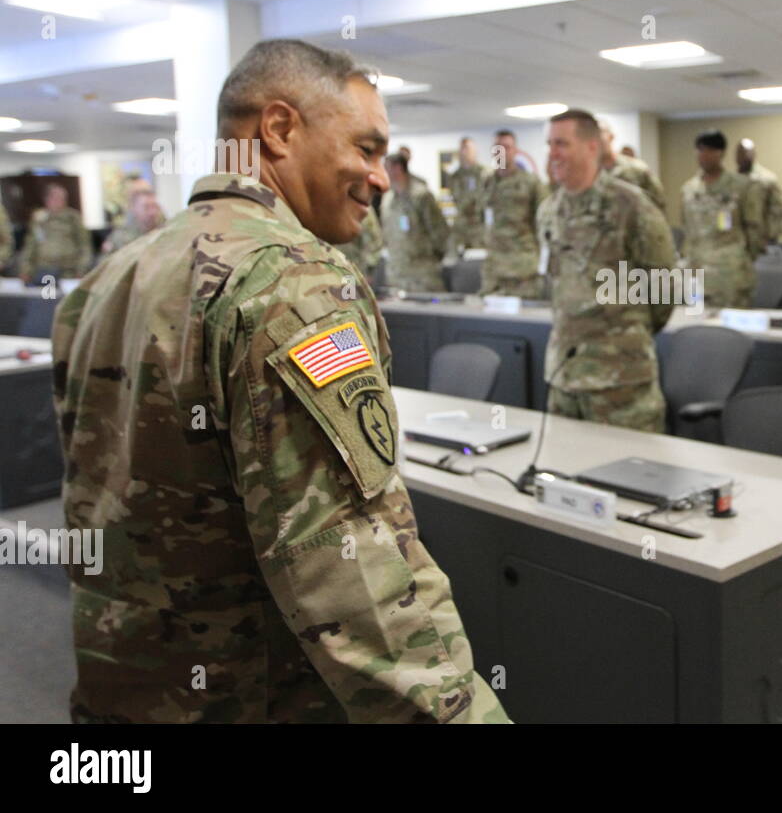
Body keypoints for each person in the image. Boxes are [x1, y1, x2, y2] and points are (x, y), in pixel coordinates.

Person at [52, 38, 507, 724]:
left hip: (125, 697)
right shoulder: (293, 282)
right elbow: (352, 575)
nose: (380, 177)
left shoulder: (108, 279)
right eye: (366, 147)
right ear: (280, 130)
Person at [537, 110, 677, 432]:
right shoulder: (548, 211)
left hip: (620, 381)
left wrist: (623, 337)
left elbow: (665, 289)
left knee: (629, 475)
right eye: (549, 144)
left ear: (591, 147)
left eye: (562, 144)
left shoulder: (631, 206)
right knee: (564, 473)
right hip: (563, 376)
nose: (552, 154)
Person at [679, 130, 765, 308]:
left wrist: (743, 260)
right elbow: (687, 229)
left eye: (710, 150)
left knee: (730, 328)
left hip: (729, 274)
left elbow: (754, 229)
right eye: (700, 150)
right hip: (696, 272)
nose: (704, 155)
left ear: (721, 153)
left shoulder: (742, 186)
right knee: (696, 326)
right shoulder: (689, 189)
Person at [481, 128, 544, 298]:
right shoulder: (487, 182)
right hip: (493, 268)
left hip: (521, 268)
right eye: (497, 147)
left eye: (506, 147)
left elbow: (543, 223)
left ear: (515, 151)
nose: (501, 152)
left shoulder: (531, 183)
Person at [379, 152, 450, 293]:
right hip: (396, 275)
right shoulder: (387, 200)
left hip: (423, 275)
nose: (382, 172)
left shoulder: (421, 196)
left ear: (397, 168)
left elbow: (440, 233)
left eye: (386, 168)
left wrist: (433, 258)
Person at [18, 183, 93, 281]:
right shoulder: (39, 219)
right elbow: (30, 246)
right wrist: (25, 270)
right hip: (44, 271)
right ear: (47, 199)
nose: (59, 201)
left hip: (68, 271)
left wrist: (81, 270)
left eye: (62, 198)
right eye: (55, 198)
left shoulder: (73, 218)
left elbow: (85, 246)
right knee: (47, 296)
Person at [599, 120, 667, 214]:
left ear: (611, 136)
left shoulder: (637, 169)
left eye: (599, 133)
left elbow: (658, 203)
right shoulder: (587, 174)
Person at [736, 138, 782, 246]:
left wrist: (772, 236)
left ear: (754, 154)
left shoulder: (767, 179)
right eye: (740, 153)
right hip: (737, 240)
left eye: (747, 152)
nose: (744, 156)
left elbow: (778, 210)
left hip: (762, 239)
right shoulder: (731, 181)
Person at [446, 137, 488, 251]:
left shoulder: (485, 174)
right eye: (462, 149)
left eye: (468, 149)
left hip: (480, 228)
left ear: (475, 152)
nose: (464, 152)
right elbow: (455, 200)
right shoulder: (454, 177)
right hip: (461, 229)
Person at [100, 185, 165, 256]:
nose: (152, 212)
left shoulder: (165, 231)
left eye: (154, 206)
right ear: (134, 208)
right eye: (146, 207)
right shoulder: (120, 239)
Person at [335, 204, 383, 286]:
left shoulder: (363, 207)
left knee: (349, 296)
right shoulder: (328, 205)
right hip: (332, 270)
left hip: (354, 271)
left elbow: (376, 241)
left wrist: (370, 270)